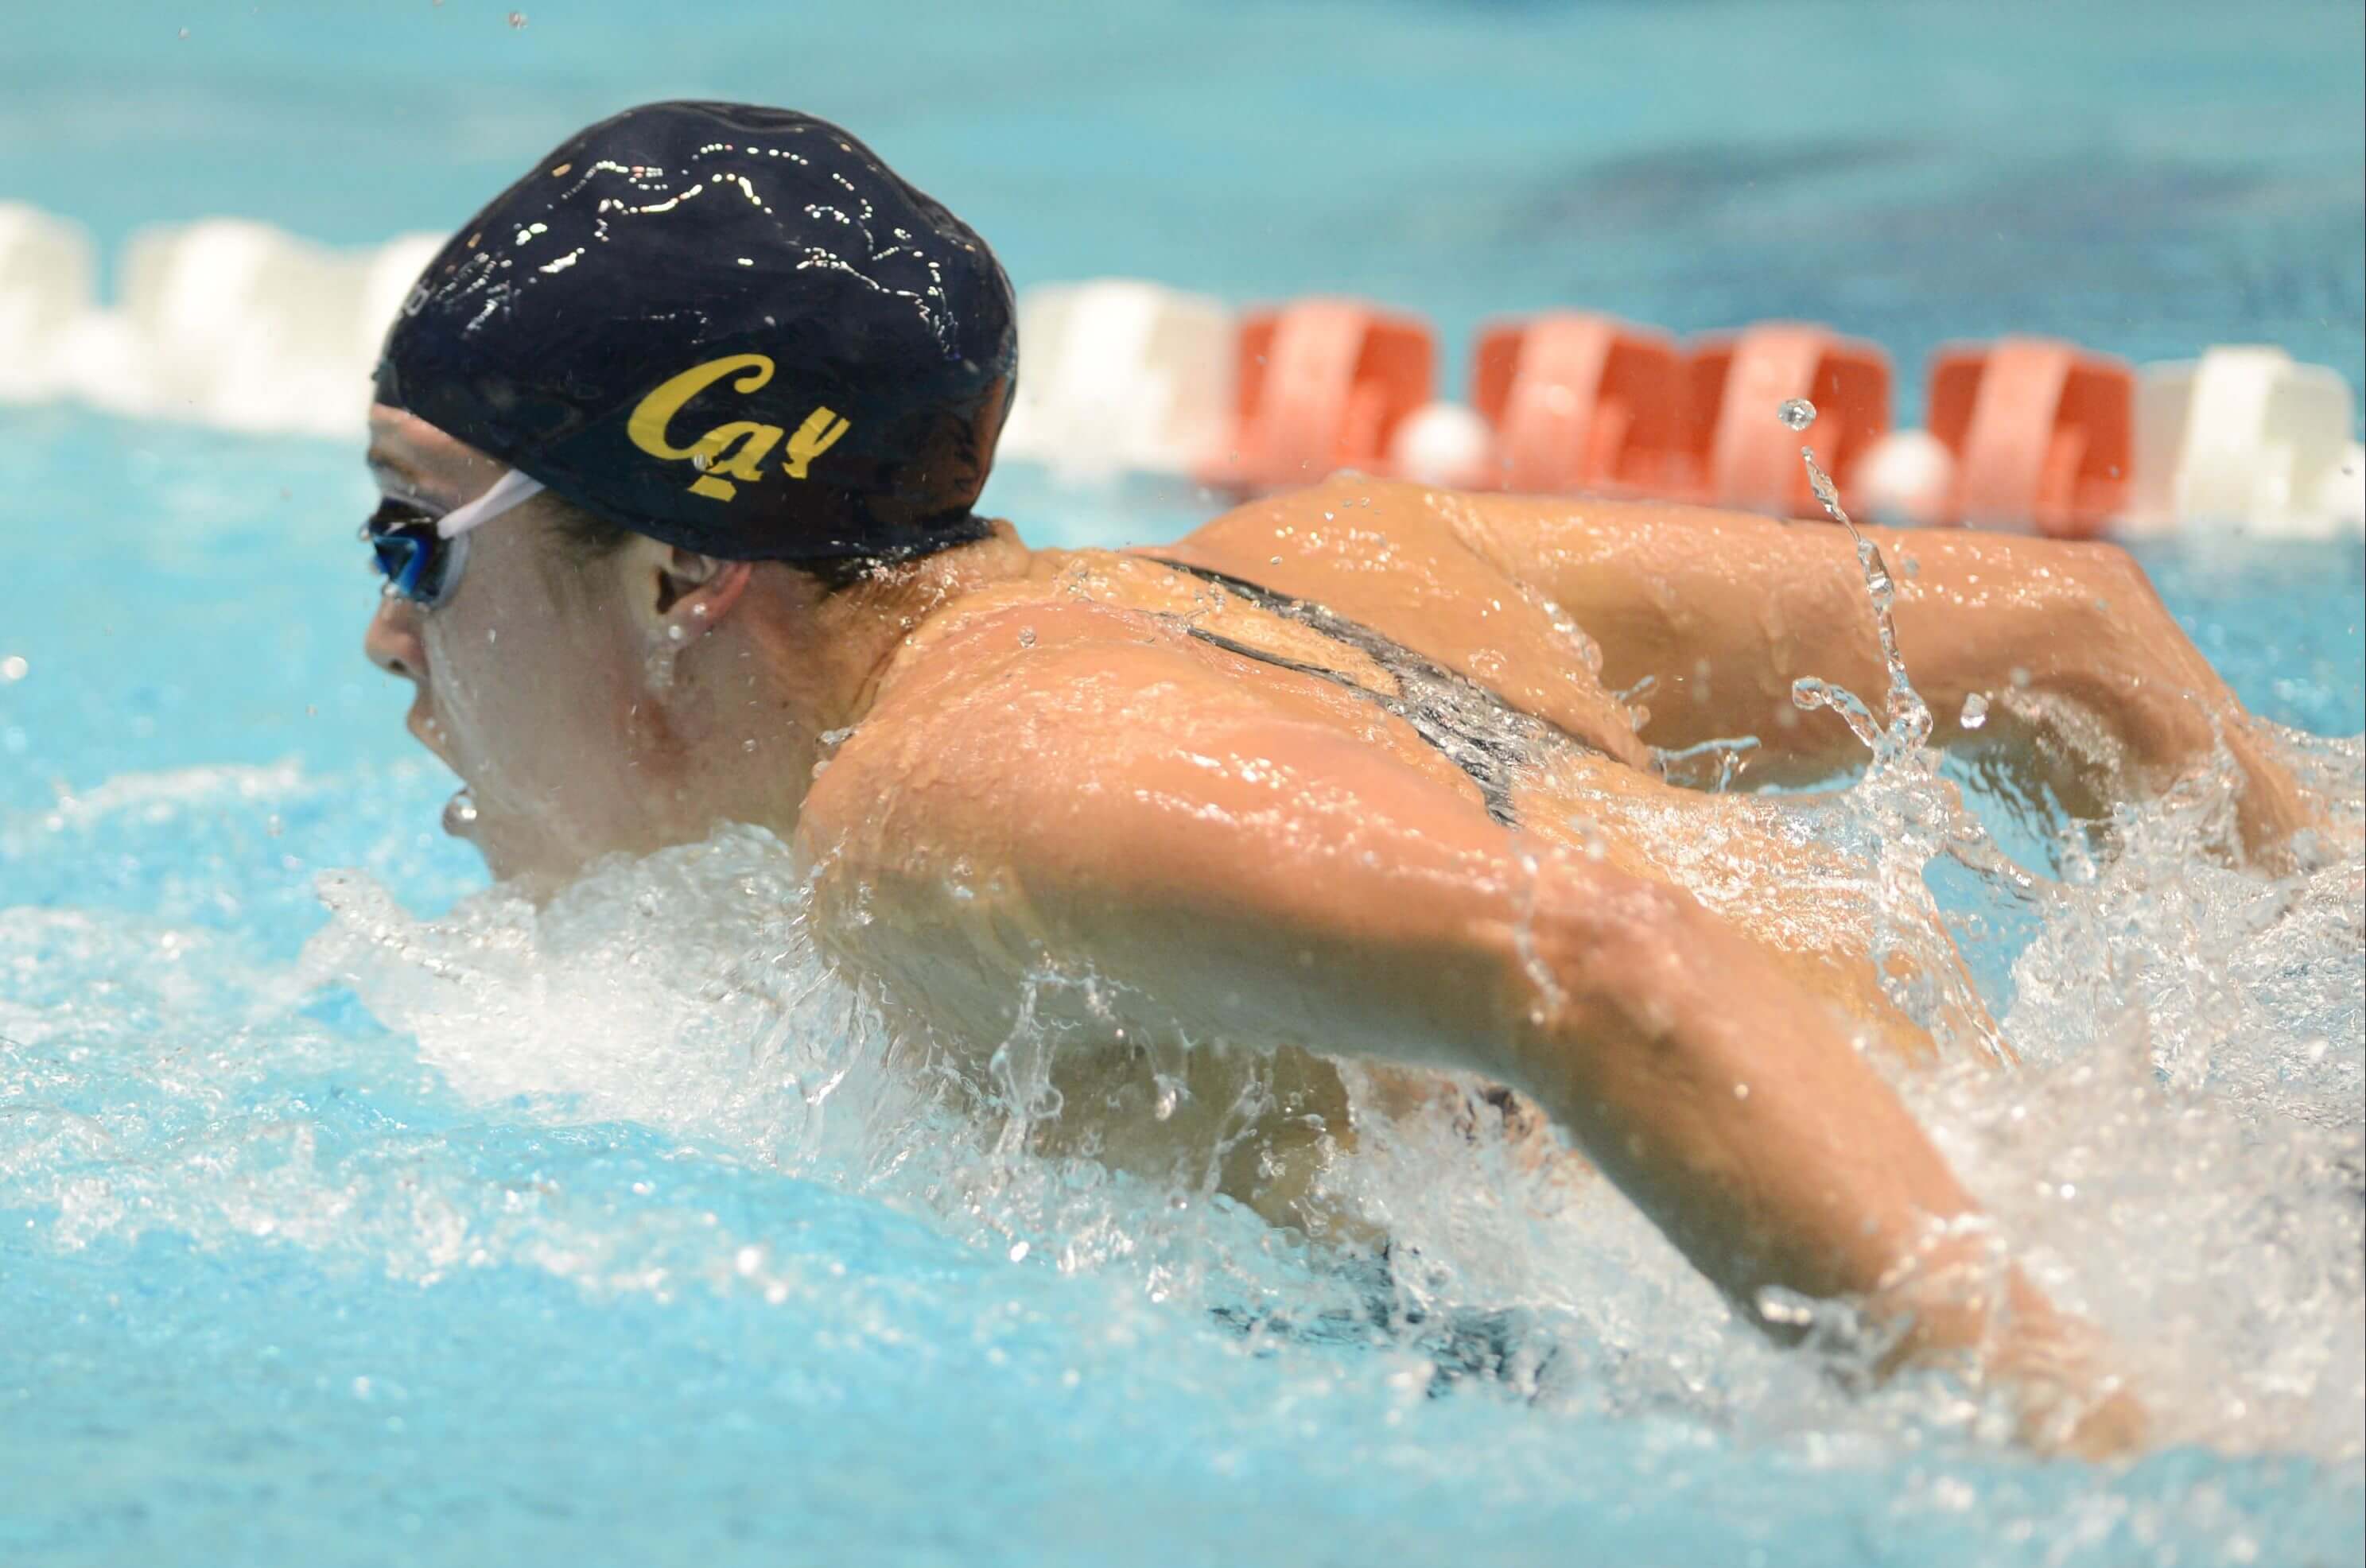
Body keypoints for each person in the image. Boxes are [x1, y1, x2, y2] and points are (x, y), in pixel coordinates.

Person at [359, 101, 2333, 1455]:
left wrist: (2095, 1465)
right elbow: (2070, 632)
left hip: (2127, 1364)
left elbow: (1598, 968)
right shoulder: (1329, 564)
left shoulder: (940, 805)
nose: (388, 636)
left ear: (681, 570)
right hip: (2227, 1226)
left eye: (414, 538)